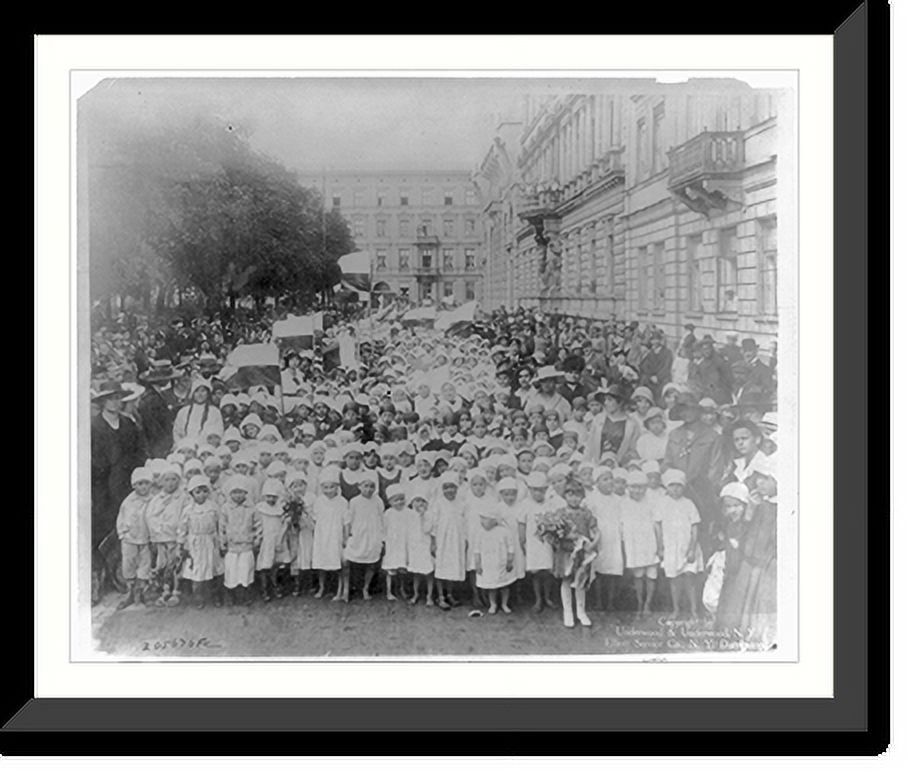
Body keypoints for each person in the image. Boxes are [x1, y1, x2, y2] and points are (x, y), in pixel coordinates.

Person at [91, 381, 146, 603]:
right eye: (110, 398)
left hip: (126, 485)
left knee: (128, 528)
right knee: (103, 529)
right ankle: (98, 578)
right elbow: (90, 460)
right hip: (102, 487)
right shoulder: (93, 427)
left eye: (117, 397)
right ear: (103, 401)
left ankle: (127, 575)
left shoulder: (127, 424)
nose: (115, 401)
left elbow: (139, 452)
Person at [654, 469, 704, 619]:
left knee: (690, 579)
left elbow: (695, 526)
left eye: (679, 485)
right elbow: (657, 526)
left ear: (684, 487)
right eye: (671, 485)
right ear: (667, 487)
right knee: (674, 580)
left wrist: (692, 549)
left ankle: (693, 609)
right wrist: (660, 547)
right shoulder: (662, 503)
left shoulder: (689, 504)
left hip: (687, 546)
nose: (675, 489)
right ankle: (676, 609)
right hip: (670, 547)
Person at [620, 470, 663, 617]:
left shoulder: (651, 502)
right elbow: (621, 526)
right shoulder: (624, 504)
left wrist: (660, 546)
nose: (637, 490)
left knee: (651, 575)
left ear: (646, 488)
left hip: (649, 544)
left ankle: (648, 604)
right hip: (634, 545)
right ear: (628, 487)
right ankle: (639, 602)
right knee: (638, 575)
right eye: (634, 487)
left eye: (641, 487)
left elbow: (657, 525)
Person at [178, 476, 221, 609]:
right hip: (195, 543)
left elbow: (220, 524)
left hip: (210, 541)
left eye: (204, 491)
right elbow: (182, 528)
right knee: (197, 571)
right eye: (197, 492)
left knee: (213, 569)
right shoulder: (188, 510)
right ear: (192, 494)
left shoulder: (213, 507)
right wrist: (181, 544)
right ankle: (198, 597)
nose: (201, 495)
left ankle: (214, 596)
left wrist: (220, 541)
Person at [115, 466, 154, 610]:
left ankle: (142, 592)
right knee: (128, 563)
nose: (143, 487)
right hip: (130, 538)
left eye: (146, 483)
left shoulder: (153, 499)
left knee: (145, 564)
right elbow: (122, 518)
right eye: (140, 484)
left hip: (145, 538)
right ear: (134, 485)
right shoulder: (128, 502)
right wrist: (123, 533)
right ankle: (130, 592)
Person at [342, 471, 384, 602]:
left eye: (372, 486)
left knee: (371, 562)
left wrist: (381, 538)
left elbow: (381, 520)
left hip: (373, 535)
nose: (369, 489)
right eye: (365, 486)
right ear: (359, 486)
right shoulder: (354, 501)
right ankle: (346, 588)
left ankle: (365, 587)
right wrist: (347, 536)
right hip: (357, 535)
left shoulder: (378, 501)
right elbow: (348, 520)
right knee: (347, 560)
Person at [429, 472, 468, 609]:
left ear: (457, 488)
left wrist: (465, 539)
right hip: (442, 539)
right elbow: (434, 524)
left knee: (452, 567)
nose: (449, 490)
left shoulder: (461, 503)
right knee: (441, 567)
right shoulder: (438, 503)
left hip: (456, 539)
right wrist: (433, 542)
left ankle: (450, 594)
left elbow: (465, 523)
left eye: (452, 487)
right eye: (446, 487)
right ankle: (440, 596)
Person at [218, 475, 258, 606]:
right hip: (231, 545)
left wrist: (256, 541)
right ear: (230, 494)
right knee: (231, 570)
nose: (238, 495)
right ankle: (231, 595)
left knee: (245, 569)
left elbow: (258, 525)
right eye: (234, 492)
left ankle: (246, 594)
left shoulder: (251, 508)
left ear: (246, 493)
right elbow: (222, 527)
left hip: (247, 544)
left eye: (241, 492)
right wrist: (222, 543)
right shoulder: (226, 508)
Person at [311, 467, 350, 600]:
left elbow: (346, 522)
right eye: (325, 487)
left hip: (335, 535)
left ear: (337, 487)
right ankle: (322, 587)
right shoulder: (318, 501)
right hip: (322, 535)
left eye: (331, 487)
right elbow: (315, 520)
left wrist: (345, 538)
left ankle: (340, 590)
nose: (328, 490)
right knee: (321, 563)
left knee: (338, 563)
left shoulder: (342, 502)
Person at [522, 472, 556, 612]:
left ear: (546, 490)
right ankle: (538, 599)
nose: (538, 493)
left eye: (541, 490)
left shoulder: (550, 504)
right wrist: (522, 542)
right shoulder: (525, 504)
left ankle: (547, 597)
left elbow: (555, 523)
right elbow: (521, 524)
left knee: (547, 571)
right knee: (536, 572)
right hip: (532, 543)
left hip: (547, 542)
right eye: (534, 490)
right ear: (530, 490)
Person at [474, 511, 515, 615]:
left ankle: (504, 604)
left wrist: (510, 560)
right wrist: (478, 564)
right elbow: (477, 550)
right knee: (492, 586)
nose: (482, 522)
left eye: (485, 519)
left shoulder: (504, 531)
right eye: (481, 519)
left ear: (494, 520)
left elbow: (510, 546)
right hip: (488, 565)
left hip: (501, 563)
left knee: (504, 586)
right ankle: (493, 604)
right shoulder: (480, 533)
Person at [173, 377, 225, 445]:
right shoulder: (183, 412)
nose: (200, 394)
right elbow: (177, 432)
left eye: (203, 391)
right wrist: (182, 445)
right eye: (196, 391)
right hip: (185, 447)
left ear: (208, 393)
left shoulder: (214, 412)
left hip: (207, 448)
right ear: (193, 394)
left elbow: (218, 432)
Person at [405, 491, 435, 606]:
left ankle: (429, 596)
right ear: (412, 502)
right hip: (414, 546)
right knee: (416, 572)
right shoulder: (409, 515)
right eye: (417, 501)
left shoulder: (429, 515)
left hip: (425, 546)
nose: (420, 504)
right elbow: (408, 532)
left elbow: (427, 529)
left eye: (423, 501)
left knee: (428, 572)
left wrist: (422, 516)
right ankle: (416, 594)